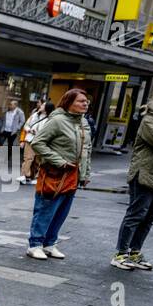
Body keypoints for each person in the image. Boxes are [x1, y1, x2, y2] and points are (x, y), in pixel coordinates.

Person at [26, 88, 91, 260]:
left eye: (86, 101)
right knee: (46, 208)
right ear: (69, 102)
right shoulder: (57, 121)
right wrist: (59, 161)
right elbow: (38, 143)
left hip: (72, 175)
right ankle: (35, 244)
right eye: (81, 101)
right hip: (55, 173)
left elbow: (86, 150)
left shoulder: (82, 123)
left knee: (61, 211)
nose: (85, 104)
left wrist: (85, 174)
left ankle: (49, 243)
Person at [113, 82, 153, 270]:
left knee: (149, 217)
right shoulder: (151, 118)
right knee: (136, 214)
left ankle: (134, 252)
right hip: (145, 173)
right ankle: (121, 254)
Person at [20, 100, 54, 184]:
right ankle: (23, 175)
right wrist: (30, 130)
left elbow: (49, 131)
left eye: (43, 105)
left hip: (41, 141)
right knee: (28, 158)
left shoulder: (51, 119)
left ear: (47, 108)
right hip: (30, 139)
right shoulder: (35, 115)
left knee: (38, 160)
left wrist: (38, 132)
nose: (41, 106)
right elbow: (26, 125)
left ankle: (35, 177)